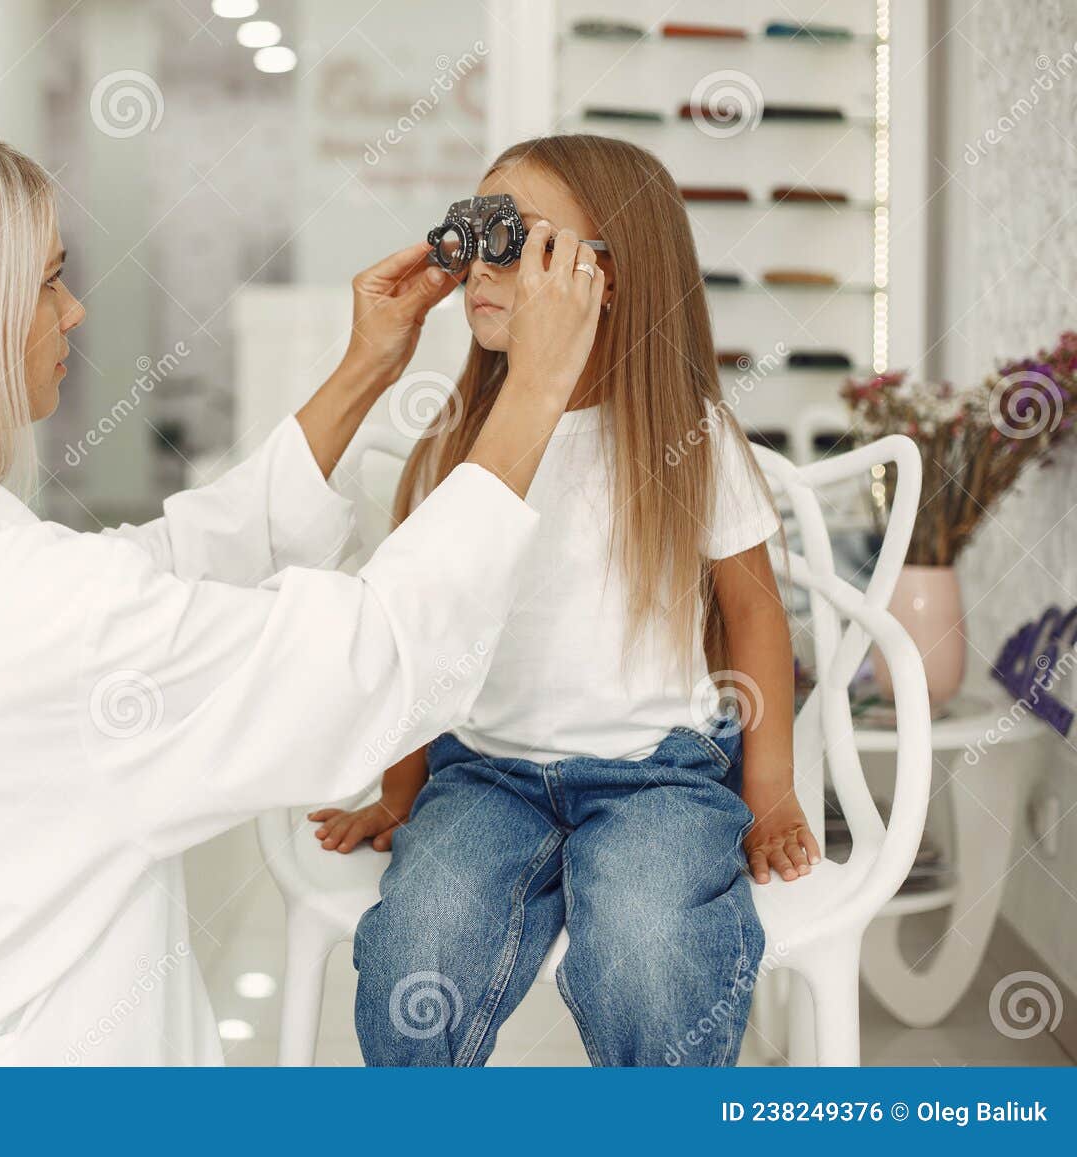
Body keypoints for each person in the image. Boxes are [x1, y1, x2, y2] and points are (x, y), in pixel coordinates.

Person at [0, 121, 608, 1064]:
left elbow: (160, 565)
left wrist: (367, 366)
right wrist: (533, 392)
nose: (76, 311)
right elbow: (369, 660)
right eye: (49, 280)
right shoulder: (34, 614)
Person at [311, 135, 817, 1066]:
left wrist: (771, 792)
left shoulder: (689, 439)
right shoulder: (467, 444)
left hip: (655, 773)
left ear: (611, 277)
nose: (477, 264)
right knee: (416, 953)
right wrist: (399, 786)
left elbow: (754, 615)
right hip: (487, 771)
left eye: (517, 239)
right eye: (470, 234)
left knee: (651, 952)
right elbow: (425, 629)